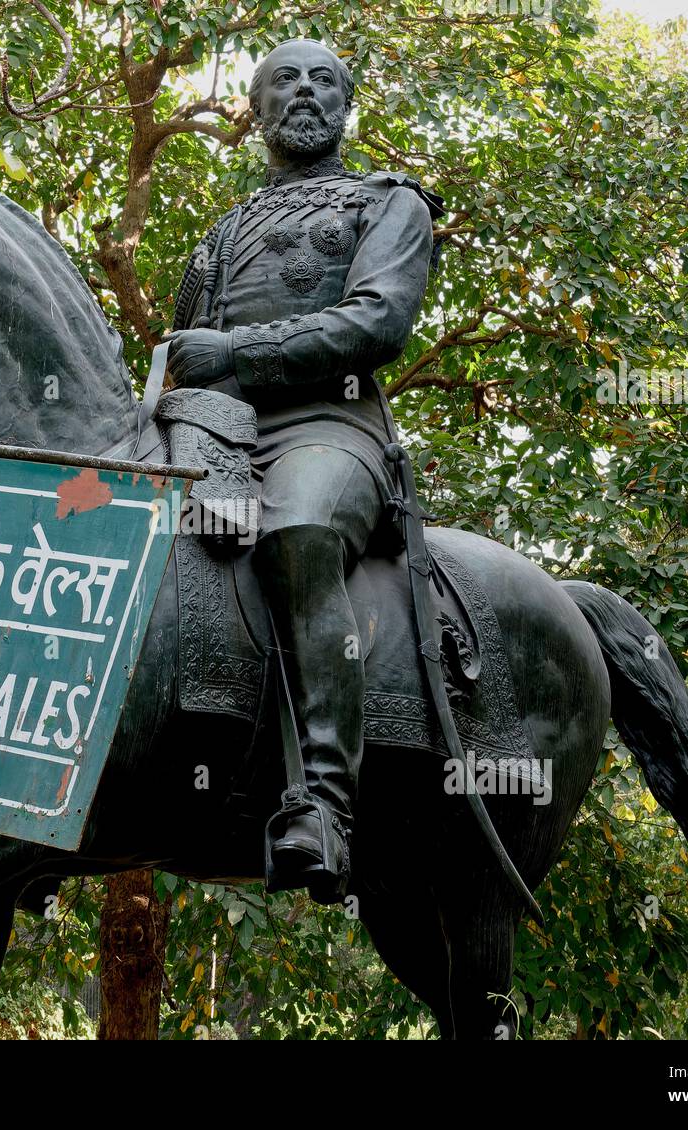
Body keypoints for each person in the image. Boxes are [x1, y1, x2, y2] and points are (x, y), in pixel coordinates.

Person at [166, 38, 443, 901]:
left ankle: (321, 800)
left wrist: (236, 353)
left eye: (326, 80)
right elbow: (183, 358)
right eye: (285, 79)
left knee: (296, 528)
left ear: (347, 104)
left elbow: (375, 324)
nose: (307, 92)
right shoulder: (222, 232)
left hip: (330, 425)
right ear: (256, 106)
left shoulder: (389, 204)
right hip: (212, 430)